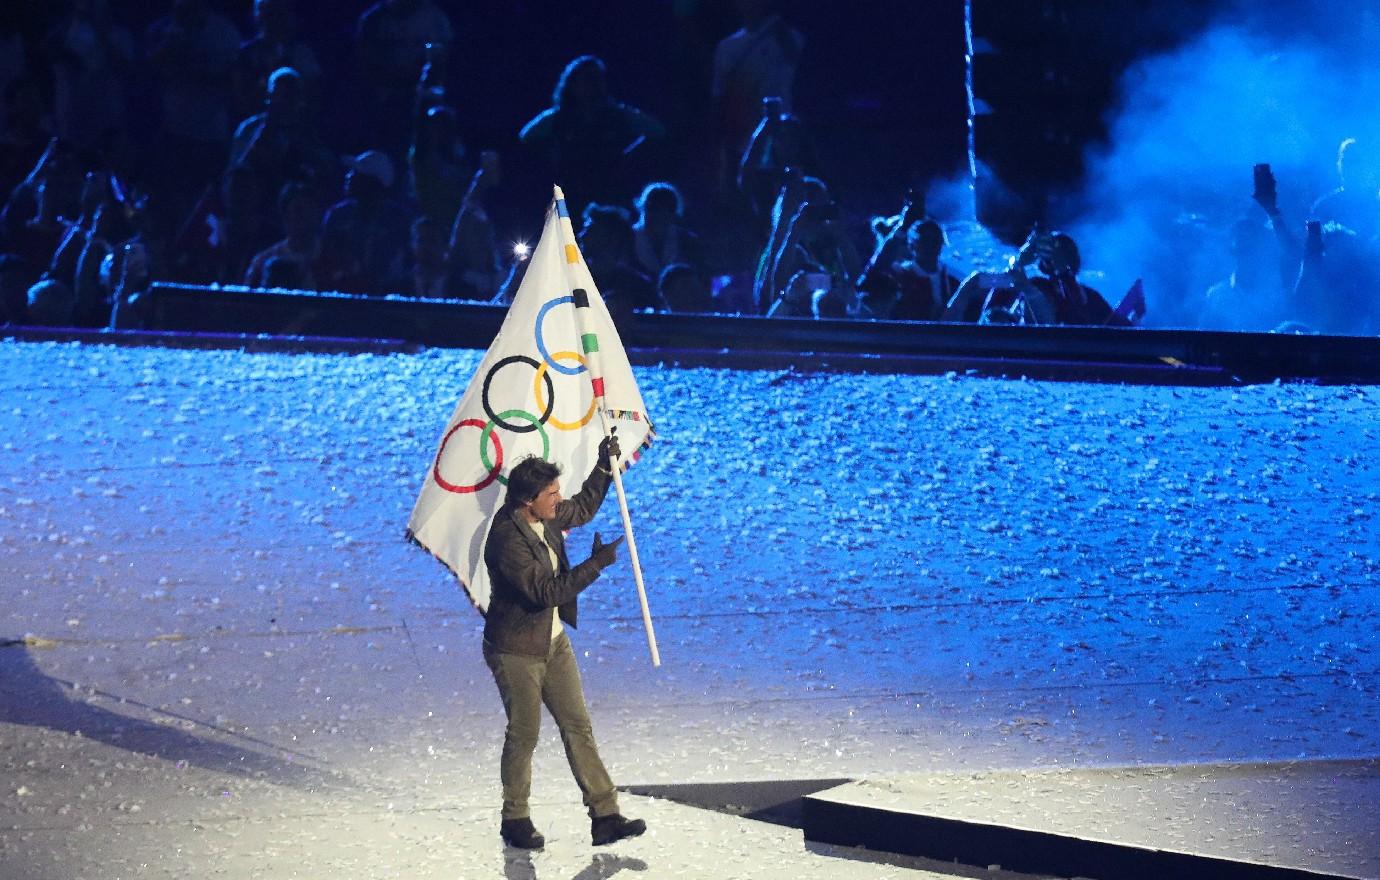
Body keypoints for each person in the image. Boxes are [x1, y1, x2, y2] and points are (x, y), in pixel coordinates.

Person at [482, 434, 647, 850]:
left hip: (552, 641)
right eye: (551, 493)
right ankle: (514, 818)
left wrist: (604, 466)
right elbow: (546, 593)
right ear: (528, 501)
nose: (559, 499)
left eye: (558, 491)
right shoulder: (507, 539)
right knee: (524, 734)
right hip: (516, 650)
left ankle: (605, 816)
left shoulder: (548, 514)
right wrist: (595, 565)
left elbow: (584, 507)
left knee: (577, 726)